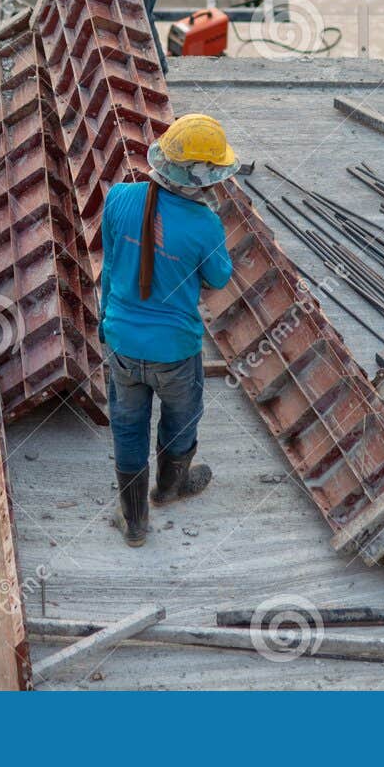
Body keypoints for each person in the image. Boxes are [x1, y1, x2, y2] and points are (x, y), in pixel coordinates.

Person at [98, 114, 240, 547]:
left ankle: (135, 522)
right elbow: (218, 278)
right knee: (181, 420)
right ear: (202, 178)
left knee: (127, 425)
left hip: (121, 341)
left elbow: (109, 264)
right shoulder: (204, 225)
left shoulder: (119, 197)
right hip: (176, 352)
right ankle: (169, 488)